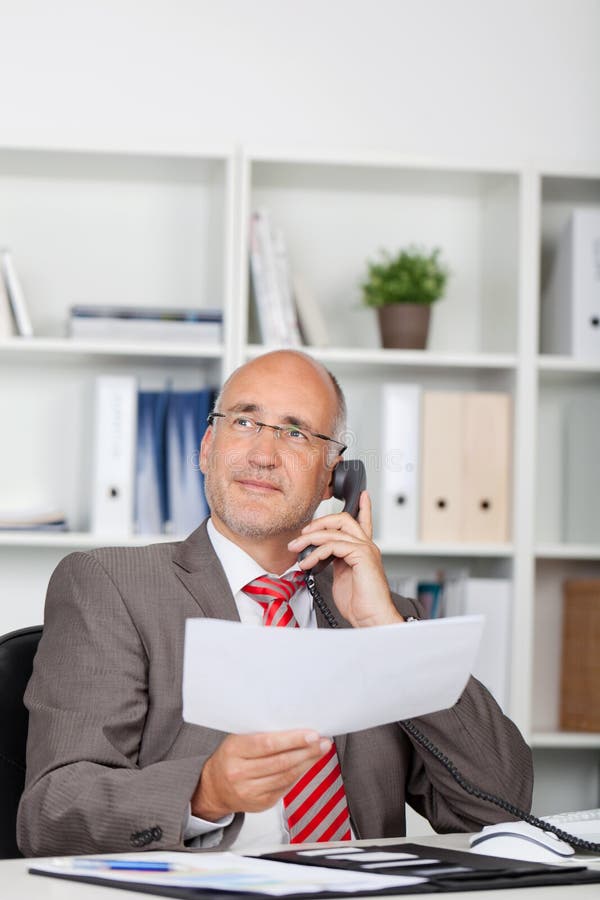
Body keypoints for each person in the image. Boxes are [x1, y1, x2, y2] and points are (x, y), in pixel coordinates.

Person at [17, 350, 533, 856]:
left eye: (294, 433)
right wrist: (204, 792)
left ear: (335, 476)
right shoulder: (113, 585)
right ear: (206, 448)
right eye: (244, 422)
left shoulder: (379, 615)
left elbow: (501, 809)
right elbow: (51, 812)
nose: (263, 455)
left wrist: (386, 628)